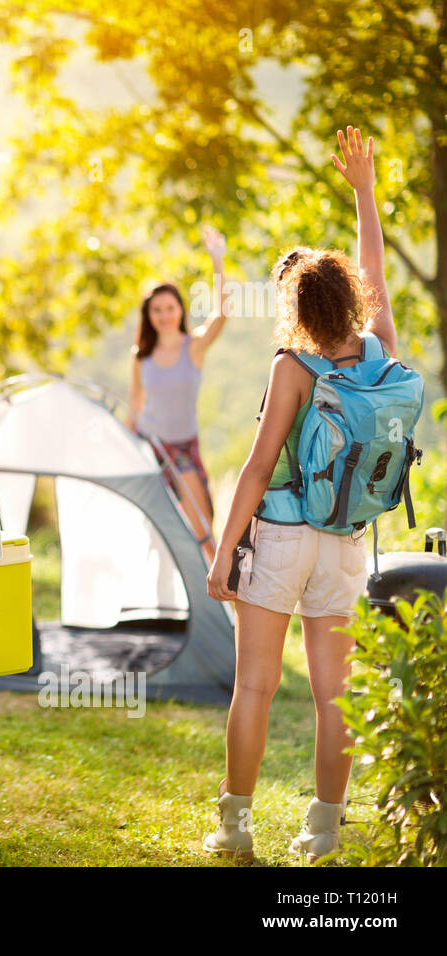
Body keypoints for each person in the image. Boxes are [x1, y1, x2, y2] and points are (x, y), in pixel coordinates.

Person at [204, 127, 397, 863]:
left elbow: (255, 471)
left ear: (295, 304)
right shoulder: (378, 351)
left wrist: (225, 553)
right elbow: (374, 267)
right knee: (332, 697)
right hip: (346, 543)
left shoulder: (294, 365)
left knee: (254, 689)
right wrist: (364, 192)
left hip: (281, 538)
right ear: (351, 296)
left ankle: (235, 828)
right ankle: (322, 833)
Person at [128, 227, 231, 564]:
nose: (164, 315)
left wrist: (217, 259)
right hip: (151, 448)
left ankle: (224, 603)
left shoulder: (195, 347)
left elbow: (222, 313)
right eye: (156, 310)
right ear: (149, 315)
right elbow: (134, 404)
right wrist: (127, 446)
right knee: (155, 536)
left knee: (202, 529)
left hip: (184, 448)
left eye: (169, 308)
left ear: (180, 310)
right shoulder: (140, 356)